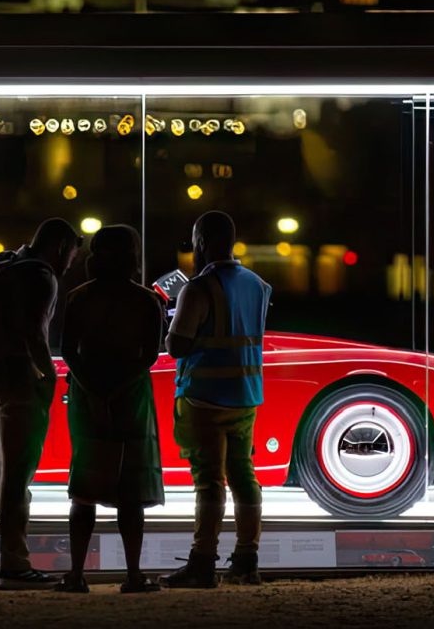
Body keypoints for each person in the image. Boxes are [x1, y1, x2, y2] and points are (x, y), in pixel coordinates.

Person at [0, 217, 82, 591]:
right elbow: (34, 333)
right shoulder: (42, 276)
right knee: (16, 474)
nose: (70, 265)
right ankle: (15, 563)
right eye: (71, 256)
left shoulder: (5, 265)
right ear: (61, 247)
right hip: (15, 377)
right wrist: (48, 376)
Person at [55, 225, 167, 594]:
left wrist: (92, 388)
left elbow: (68, 351)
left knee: (84, 484)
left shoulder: (79, 297)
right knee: (130, 489)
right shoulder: (146, 301)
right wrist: (119, 387)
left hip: (87, 394)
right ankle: (133, 574)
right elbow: (149, 355)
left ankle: (76, 573)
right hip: (131, 396)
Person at [163, 210, 272, 589]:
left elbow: (177, 346)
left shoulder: (197, 288)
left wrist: (169, 318)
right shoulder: (258, 285)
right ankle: (246, 559)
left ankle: (203, 562)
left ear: (202, 243)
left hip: (203, 399)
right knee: (244, 476)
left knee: (209, 482)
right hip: (245, 396)